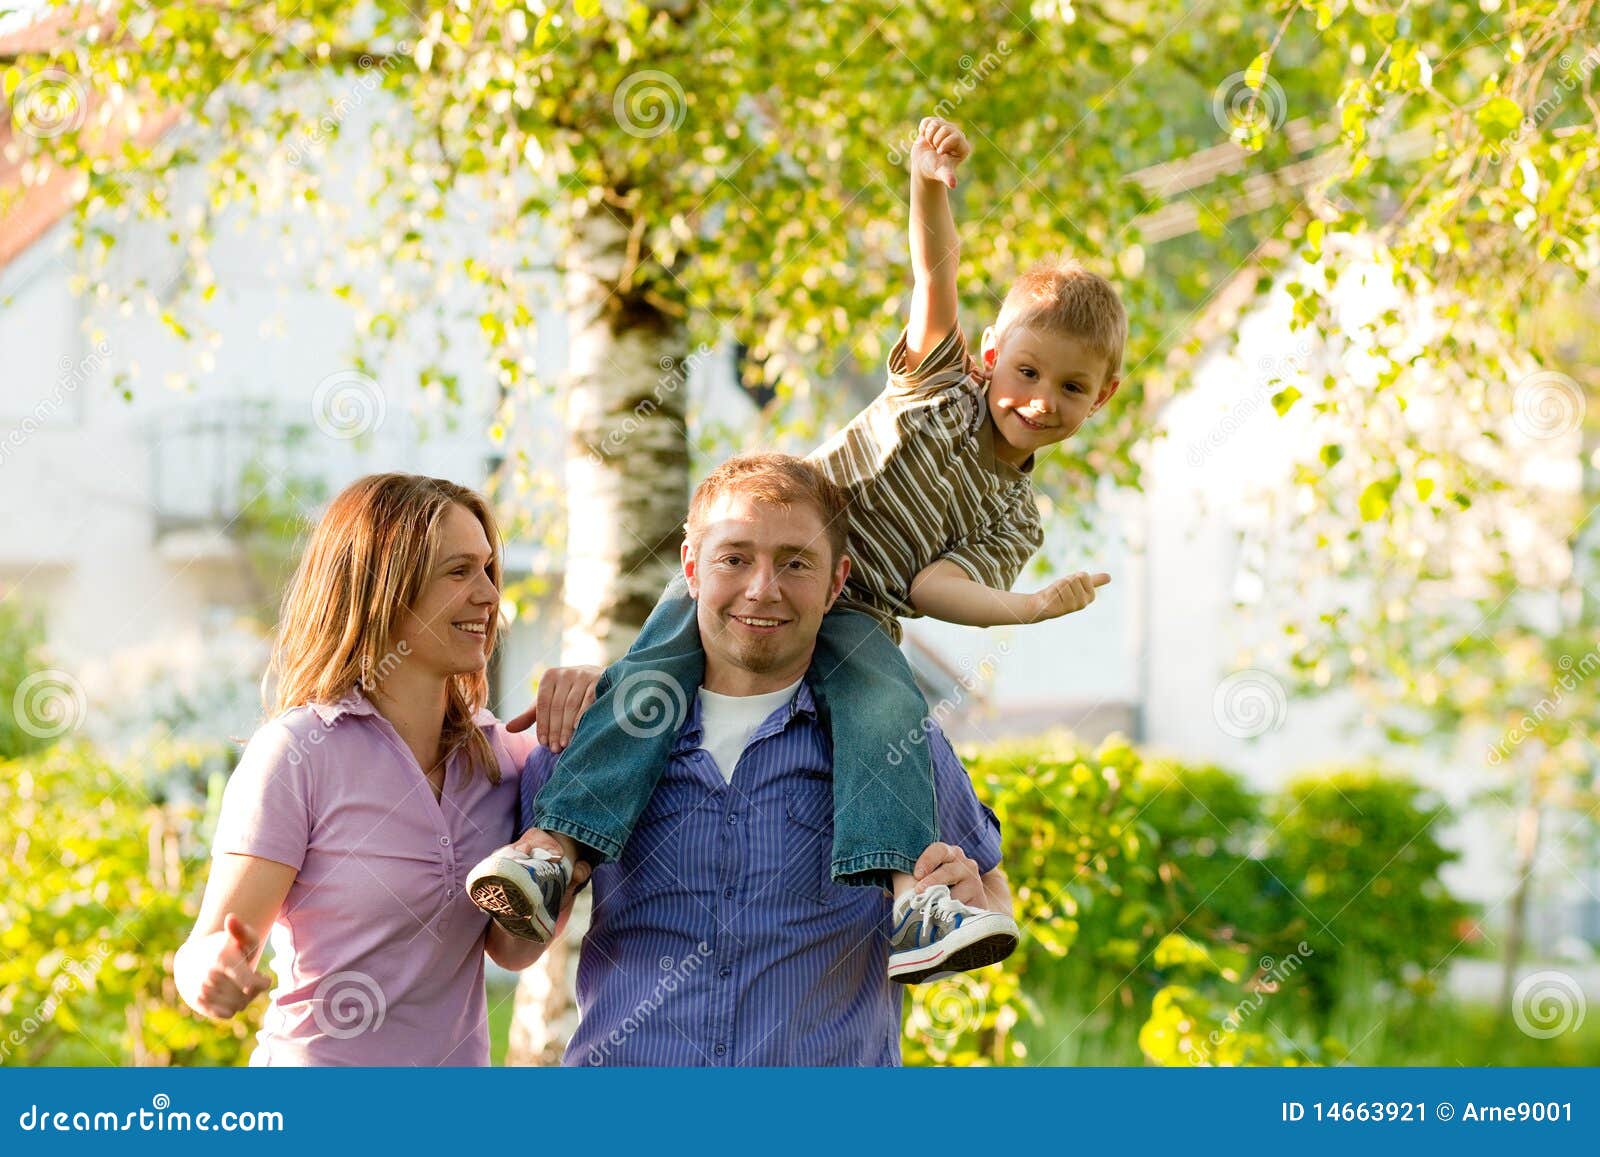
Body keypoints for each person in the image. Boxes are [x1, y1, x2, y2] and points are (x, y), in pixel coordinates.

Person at [470, 113, 1126, 982]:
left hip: (851, 605)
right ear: (993, 355)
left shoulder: (1018, 517)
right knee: (648, 679)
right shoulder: (940, 385)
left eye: (1071, 387)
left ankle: (914, 899)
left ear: (1103, 396)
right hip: (769, 551)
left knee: (887, 714)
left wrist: (1026, 608)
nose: (1041, 400)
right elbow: (937, 270)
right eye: (1029, 372)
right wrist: (928, 184)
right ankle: (555, 848)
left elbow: (934, 585)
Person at [507, 455, 1016, 1063]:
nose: (763, 588)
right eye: (735, 558)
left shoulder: (897, 743)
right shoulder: (589, 735)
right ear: (692, 568)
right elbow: (511, 952)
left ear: (836, 582)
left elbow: (988, 888)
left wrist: (973, 901)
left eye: (796, 562)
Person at [172, 473, 588, 1065]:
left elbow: (511, 952)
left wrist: (598, 709)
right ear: (385, 590)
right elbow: (208, 947)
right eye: (458, 571)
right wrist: (211, 972)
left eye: (488, 570)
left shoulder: (505, 759)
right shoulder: (299, 755)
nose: (490, 594)